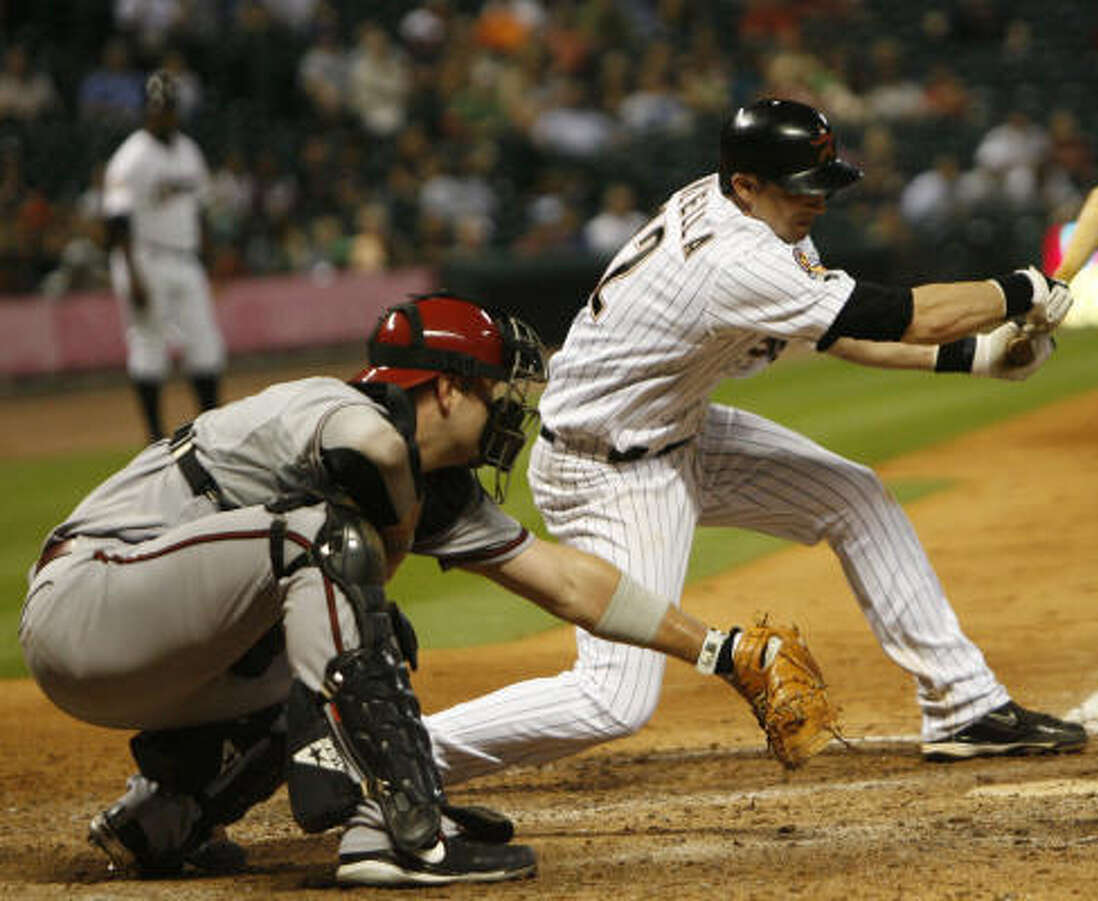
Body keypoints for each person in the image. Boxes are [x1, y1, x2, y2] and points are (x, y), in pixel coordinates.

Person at [422, 98, 1087, 788]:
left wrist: (977, 357)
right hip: (607, 473)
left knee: (854, 494)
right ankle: (404, 752)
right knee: (612, 699)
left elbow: (833, 329)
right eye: (804, 187)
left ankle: (964, 706)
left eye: (823, 184)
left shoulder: (754, 218)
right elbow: (907, 317)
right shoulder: (731, 258)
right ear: (746, 185)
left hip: (676, 428)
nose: (819, 203)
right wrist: (1022, 288)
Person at [19, 293, 774, 887]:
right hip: (88, 608)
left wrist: (715, 648)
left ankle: (164, 817)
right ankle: (402, 827)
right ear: (444, 389)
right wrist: (401, 529)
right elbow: (371, 450)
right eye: (492, 390)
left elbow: (570, 582)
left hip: (166, 653)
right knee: (330, 548)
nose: (509, 408)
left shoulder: (428, 480)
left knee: (364, 620)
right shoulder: (335, 408)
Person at [102, 69, 225, 443]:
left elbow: (201, 207)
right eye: (158, 108)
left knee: (206, 345)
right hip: (145, 258)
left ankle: (213, 431)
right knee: (148, 344)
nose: (165, 114)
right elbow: (117, 221)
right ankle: (153, 434)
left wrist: (208, 253)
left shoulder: (189, 150)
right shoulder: (130, 157)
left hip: (186, 259)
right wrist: (132, 274)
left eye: (169, 107)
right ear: (145, 111)